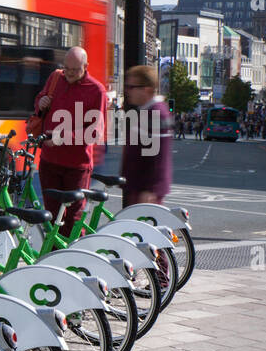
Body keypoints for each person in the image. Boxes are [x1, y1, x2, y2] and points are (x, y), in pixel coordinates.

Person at [33, 46, 108, 236]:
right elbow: (40, 101)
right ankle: (54, 259)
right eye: (67, 68)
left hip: (77, 167)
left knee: (73, 221)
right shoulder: (56, 78)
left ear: (86, 66)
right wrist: (40, 101)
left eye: (75, 70)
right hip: (49, 162)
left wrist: (62, 138)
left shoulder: (96, 90)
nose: (69, 73)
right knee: (52, 217)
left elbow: (95, 133)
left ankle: (75, 261)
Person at [120, 65, 173, 207]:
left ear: (147, 89)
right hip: (139, 188)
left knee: (141, 229)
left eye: (131, 87)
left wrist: (151, 190)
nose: (127, 91)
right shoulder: (148, 111)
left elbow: (158, 156)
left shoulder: (156, 114)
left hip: (145, 192)